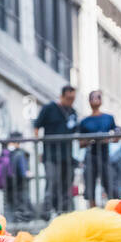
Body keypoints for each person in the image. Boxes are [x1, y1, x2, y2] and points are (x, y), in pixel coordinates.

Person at [34, 84, 77, 216]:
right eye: (68, 98)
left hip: (68, 156)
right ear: (62, 96)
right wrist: (39, 149)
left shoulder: (72, 112)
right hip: (51, 155)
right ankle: (46, 212)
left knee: (66, 184)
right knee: (52, 182)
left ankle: (62, 211)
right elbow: (36, 127)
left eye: (73, 99)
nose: (71, 101)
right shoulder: (49, 108)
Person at [78, 90, 116, 207]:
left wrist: (108, 138)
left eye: (98, 97)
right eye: (93, 97)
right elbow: (80, 142)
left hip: (105, 155)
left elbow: (116, 135)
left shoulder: (109, 118)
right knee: (90, 184)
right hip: (90, 155)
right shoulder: (84, 121)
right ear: (89, 101)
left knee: (109, 183)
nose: (95, 100)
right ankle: (93, 211)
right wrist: (92, 140)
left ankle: (113, 210)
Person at [0, 132, 32, 224]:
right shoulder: (20, 154)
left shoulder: (4, 153)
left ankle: (8, 233)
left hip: (7, 187)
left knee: (9, 211)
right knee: (23, 212)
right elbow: (23, 173)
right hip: (20, 187)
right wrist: (29, 174)